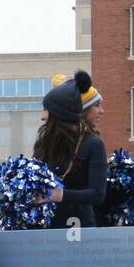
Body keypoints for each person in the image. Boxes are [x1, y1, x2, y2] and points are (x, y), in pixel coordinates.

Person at [34, 70, 106, 229]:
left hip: (81, 228)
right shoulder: (43, 144)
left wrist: (58, 195)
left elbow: (98, 195)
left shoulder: (93, 143)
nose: (42, 117)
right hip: (48, 230)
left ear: (59, 115)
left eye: (47, 111)